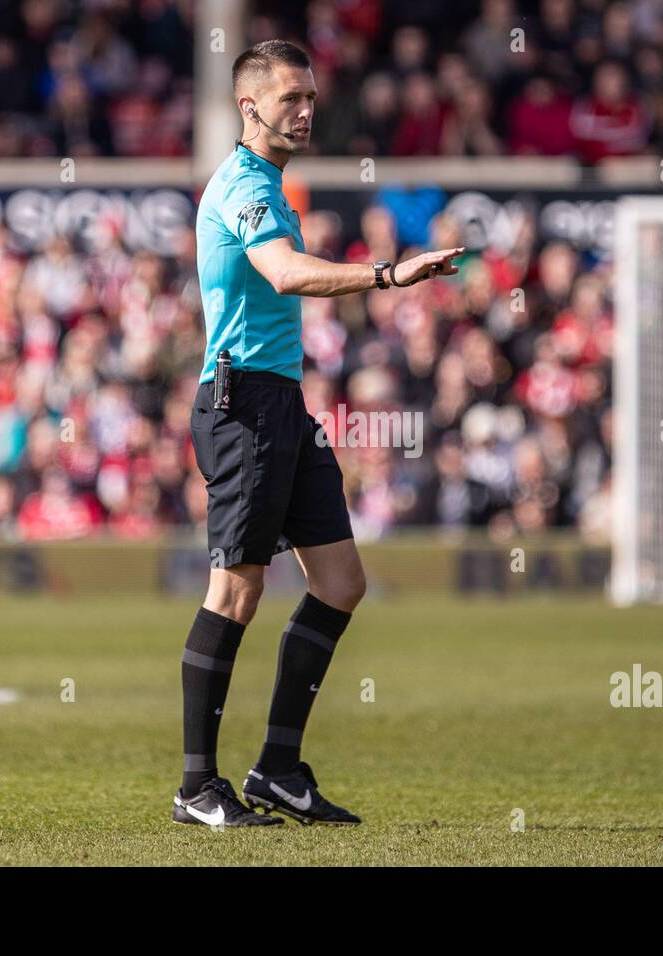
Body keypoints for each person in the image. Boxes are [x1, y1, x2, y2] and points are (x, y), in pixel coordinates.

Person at [172, 39, 464, 827]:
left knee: (340, 584)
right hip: (243, 408)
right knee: (235, 593)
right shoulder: (242, 185)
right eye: (290, 98)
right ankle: (198, 787)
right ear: (249, 106)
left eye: (309, 98)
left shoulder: (270, 184)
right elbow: (286, 274)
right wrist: (386, 274)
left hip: (281, 406)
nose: (305, 110)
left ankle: (277, 769)